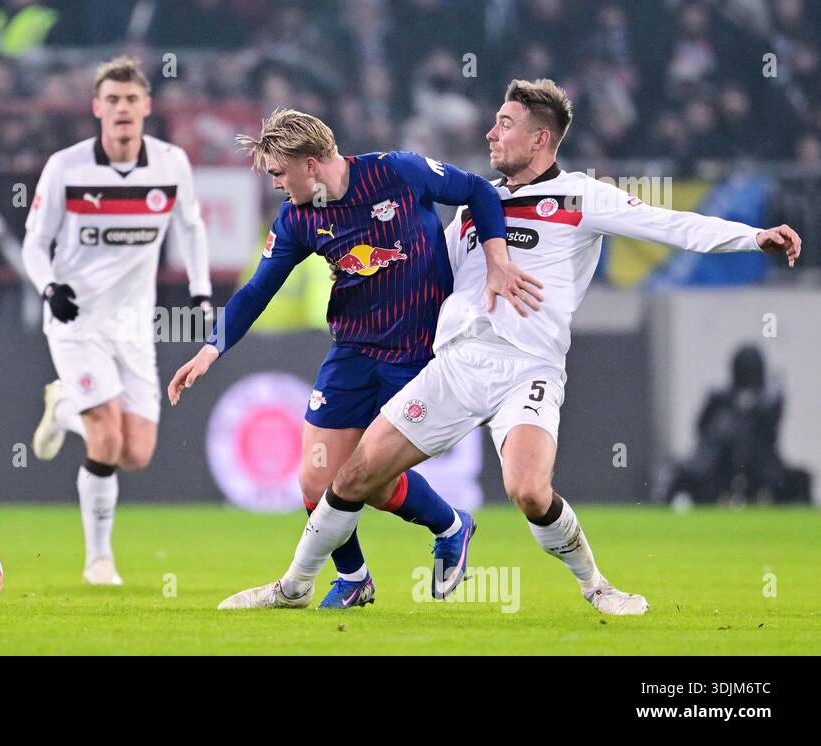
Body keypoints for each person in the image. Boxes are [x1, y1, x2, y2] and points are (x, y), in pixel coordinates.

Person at [220, 79, 802, 614]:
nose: (490, 133)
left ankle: (597, 587)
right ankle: (294, 586)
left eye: (504, 123)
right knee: (350, 478)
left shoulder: (581, 197)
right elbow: (428, 272)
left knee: (527, 490)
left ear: (540, 137)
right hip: (454, 366)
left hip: (529, 368)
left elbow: (670, 225)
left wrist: (753, 238)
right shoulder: (477, 212)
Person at [168, 107, 543, 607]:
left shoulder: (398, 172)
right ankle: (356, 577)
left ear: (311, 163)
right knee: (315, 477)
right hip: (352, 352)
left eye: (279, 172)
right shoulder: (298, 218)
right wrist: (212, 348)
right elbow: (258, 289)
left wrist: (498, 260)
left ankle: (449, 527)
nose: (275, 184)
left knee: (368, 477)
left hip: (415, 355)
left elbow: (477, 190)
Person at [22, 57, 212, 585]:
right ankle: (98, 560)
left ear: (147, 107)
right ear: (96, 108)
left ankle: (62, 409)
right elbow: (35, 244)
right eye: (113, 99)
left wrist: (200, 294)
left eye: (132, 99)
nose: (123, 108)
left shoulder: (172, 164)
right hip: (76, 321)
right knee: (104, 439)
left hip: (133, 328)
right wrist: (49, 287)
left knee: (136, 454)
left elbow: (192, 229)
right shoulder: (66, 167)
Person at [661, 345, 812, 506]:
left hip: (760, 468)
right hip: (717, 467)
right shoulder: (718, 399)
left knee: (801, 479)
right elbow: (701, 429)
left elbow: (771, 433)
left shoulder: (768, 402)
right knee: (676, 476)